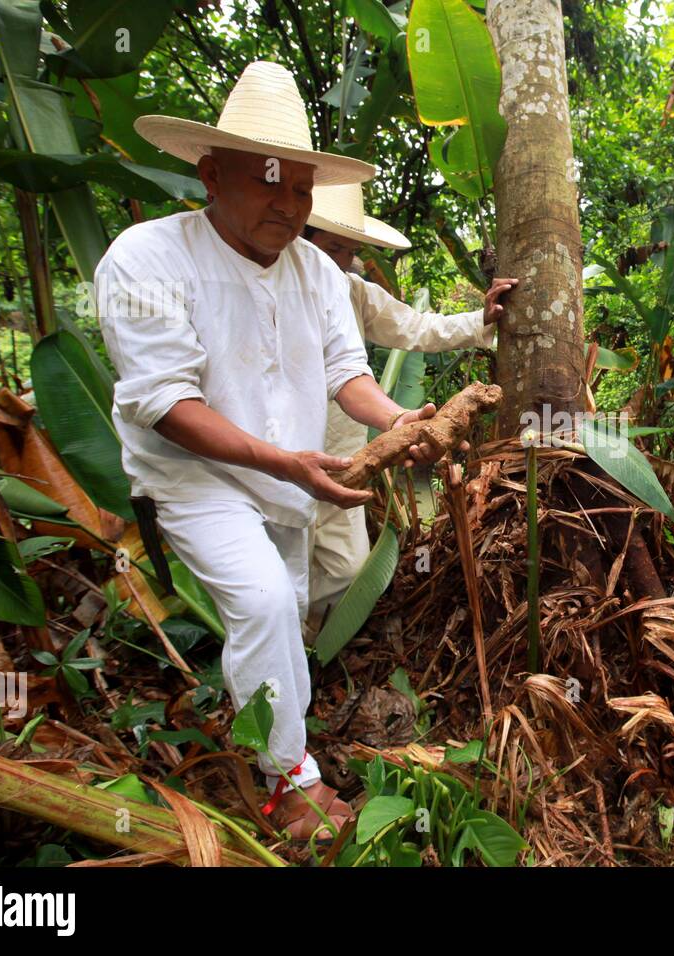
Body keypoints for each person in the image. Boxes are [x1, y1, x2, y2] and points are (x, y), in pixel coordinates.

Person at [95, 62, 453, 838]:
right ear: (210, 174)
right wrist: (284, 464)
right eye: (269, 183)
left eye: (301, 189)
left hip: (289, 475)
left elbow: (345, 373)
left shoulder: (317, 270)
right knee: (261, 600)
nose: (289, 206)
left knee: (285, 610)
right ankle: (287, 782)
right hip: (194, 478)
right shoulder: (146, 258)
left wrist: (399, 422)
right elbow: (166, 404)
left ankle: (264, 730)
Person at [300, 182, 517, 618]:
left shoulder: (351, 291)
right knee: (277, 572)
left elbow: (417, 328)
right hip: (276, 456)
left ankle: (314, 657)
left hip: (344, 455)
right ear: (301, 240)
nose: (340, 261)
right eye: (331, 246)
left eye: (348, 251)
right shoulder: (261, 286)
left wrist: (483, 318)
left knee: (345, 568)